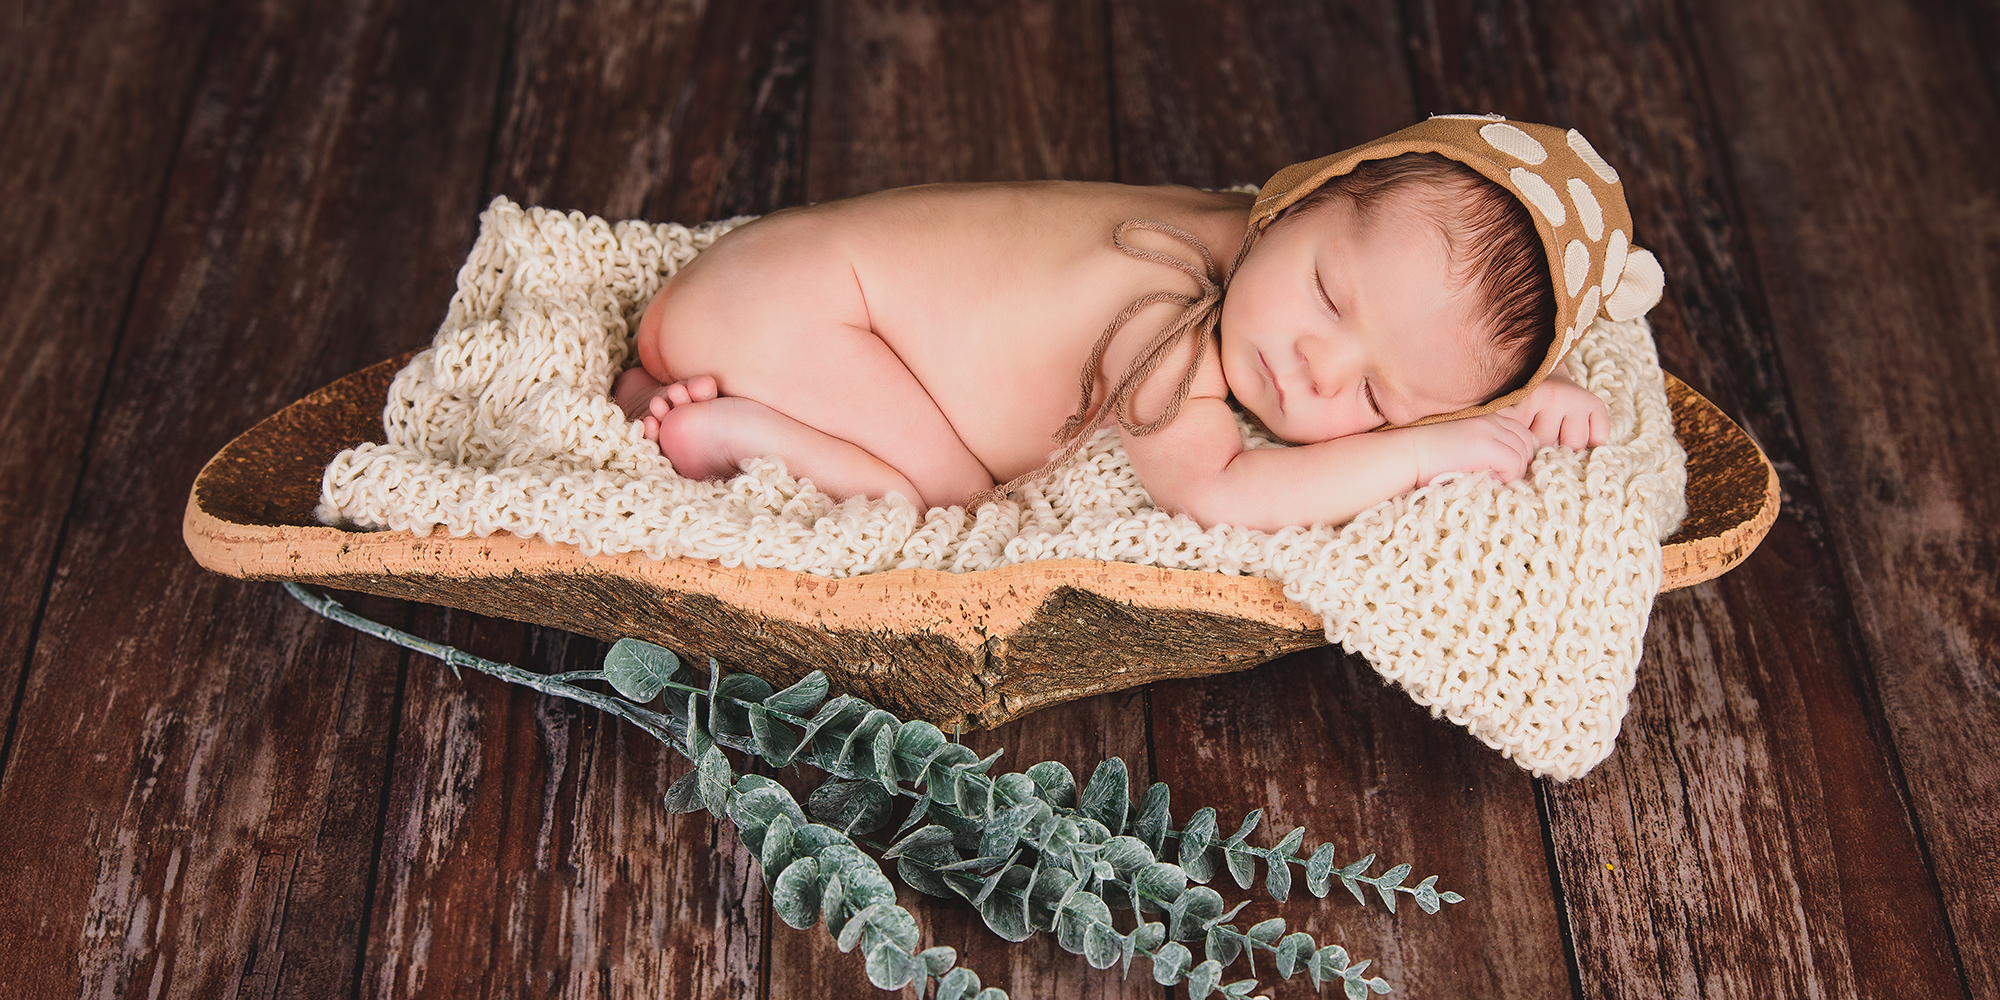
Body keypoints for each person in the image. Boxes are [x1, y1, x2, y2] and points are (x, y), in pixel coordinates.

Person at [612, 116, 1659, 531]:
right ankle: (740, 432)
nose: (1312, 366)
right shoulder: (1158, 322)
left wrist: (1520, 400)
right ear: (1296, 200)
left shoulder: (1247, 235)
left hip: (763, 278)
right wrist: (1424, 444)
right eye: (1329, 300)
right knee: (949, 495)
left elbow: (1425, 335)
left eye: (1377, 397)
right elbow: (1221, 490)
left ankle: (663, 368)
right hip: (807, 312)